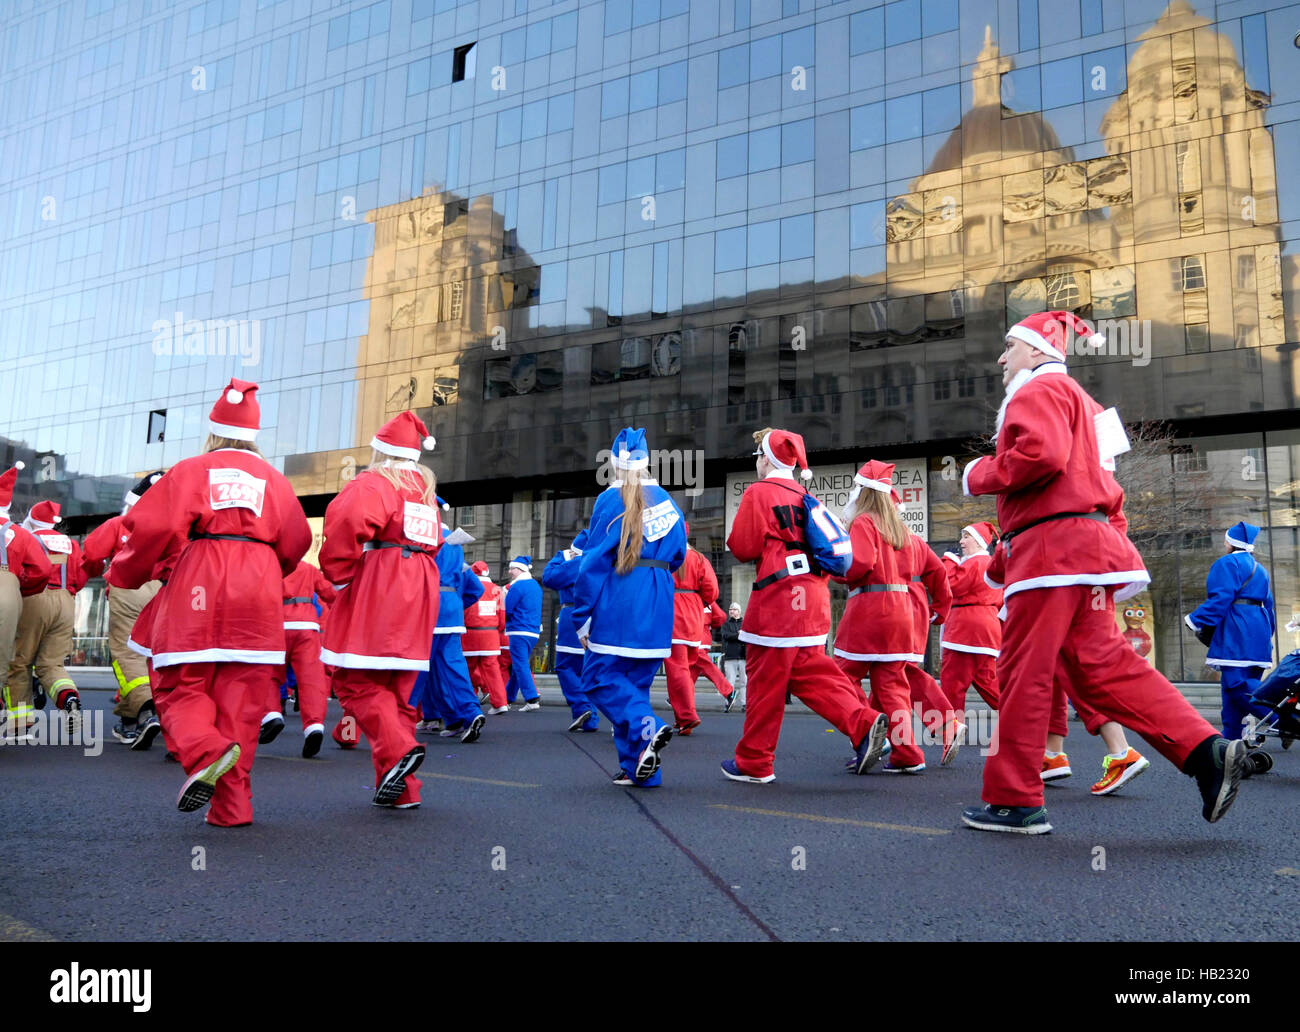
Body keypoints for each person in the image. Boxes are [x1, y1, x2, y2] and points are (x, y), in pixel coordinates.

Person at [960, 310, 1247, 833]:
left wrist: (978, 474)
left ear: (1037, 350)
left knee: (1023, 675)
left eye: (1009, 347)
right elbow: (1102, 489)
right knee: (1108, 666)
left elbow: (1041, 457)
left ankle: (1015, 800)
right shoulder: (1089, 407)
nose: (1001, 359)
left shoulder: (1036, 390)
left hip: (1048, 555)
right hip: (1086, 550)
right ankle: (1205, 750)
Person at [107, 379, 310, 825]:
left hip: (200, 580)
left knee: (180, 683)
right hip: (257, 590)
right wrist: (263, 569)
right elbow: (297, 541)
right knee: (243, 700)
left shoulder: (191, 469)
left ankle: (205, 751)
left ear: (214, 431)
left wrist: (127, 572)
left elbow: (152, 528)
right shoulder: (276, 481)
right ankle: (232, 808)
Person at [723, 428, 888, 784]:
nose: (757, 461)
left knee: (765, 681)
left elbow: (742, 547)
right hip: (813, 597)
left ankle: (755, 762)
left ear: (767, 459)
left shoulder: (759, 492)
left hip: (779, 597)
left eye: (758, 455)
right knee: (810, 673)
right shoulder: (807, 495)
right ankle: (863, 724)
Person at [319, 411, 442, 809]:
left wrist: (341, 579)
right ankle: (403, 790)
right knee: (399, 692)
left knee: (354, 682)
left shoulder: (374, 482)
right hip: (420, 586)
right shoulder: (424, 490)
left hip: (382, 582)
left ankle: (400, 748)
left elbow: (344, 524)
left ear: (381, 451)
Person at [571, 427, 686, 786]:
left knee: (597, 678)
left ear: (614, 463)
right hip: (658, 597)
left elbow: (592, 563)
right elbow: (679, 553)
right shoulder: (667, 499)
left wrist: (581, 616)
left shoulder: (610, 499)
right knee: (634, 688)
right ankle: (640, 769)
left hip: (621, 596)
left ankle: (646, 726)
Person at [830, 460, 916, 772]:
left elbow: (860, 564)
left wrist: (835, 571)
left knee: (839, 676)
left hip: (870, 609)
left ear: (863, 490)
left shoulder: (864, 522)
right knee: (893, 687)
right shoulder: (900, 528)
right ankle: (908, 754)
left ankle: (868, 728)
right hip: (900, 610)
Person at [80, 470, 168, 748]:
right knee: (153, 655)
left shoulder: (120, 523)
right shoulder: (170, 527)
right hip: (162, 590)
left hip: (127, 586)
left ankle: (146, 708)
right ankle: (131, 720)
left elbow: (91, 552)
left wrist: (98, 568)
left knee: (126, 655)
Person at [1185, 521, 1276, 739]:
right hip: (1259, 631)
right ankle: (1231, 739)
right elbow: (1269, 606)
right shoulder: (1260, 569)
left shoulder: (1227, 563)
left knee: (1236, 686)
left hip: (1237, 631)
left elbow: (1221, 598)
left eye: (1226, 540)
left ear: (1231, 542)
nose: (1224, 544)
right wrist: (1267, 635)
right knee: (1233, 689)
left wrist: (1195, 619)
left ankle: (1281, 718)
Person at [7, 500, 89, 735]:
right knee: (52, 663)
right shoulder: (71, 544)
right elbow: (81, 577)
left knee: (19, 661)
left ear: (31, 519)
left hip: (34, 597)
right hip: (65, 602)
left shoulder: (27, 538)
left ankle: (20, 721)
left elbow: (22, 571)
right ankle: (68, 698)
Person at [410, 510, 486, 744]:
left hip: (428, 608)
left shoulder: (424, 539)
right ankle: (468, 713)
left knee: (417, 669)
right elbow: (475, 589)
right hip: (452, 612)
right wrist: (455, 604)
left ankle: (401, 720)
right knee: (453, 667)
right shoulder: (456, 545)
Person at [0, 462, 53, 743]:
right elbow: (42, 570)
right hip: (7, 589)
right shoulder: (21, 535)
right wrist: (20, 587)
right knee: (2, 656)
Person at [267, 558, 337, 757]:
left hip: (275, 624)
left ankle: (272, 714)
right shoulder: (308, 569)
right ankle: (314, 726)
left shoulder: (269, 564)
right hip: (306, 626)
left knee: (269, 674)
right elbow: (330, 594)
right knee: (311, 680)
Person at [663, 524, 720, 734]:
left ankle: (687, 716)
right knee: (684, 669)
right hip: (694, 616)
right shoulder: (699, 558)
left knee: (676, 669)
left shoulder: (666, 554)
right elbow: (712, 590)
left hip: (672, 612)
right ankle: (682, 719)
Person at [541, 537, 600, 732]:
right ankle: (591, 718)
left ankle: (582, 706)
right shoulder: (600, 561)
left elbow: (549, 577)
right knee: (589, 670)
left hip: (573, 613)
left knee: (565, 665)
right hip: (597, 615)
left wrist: (563, 556)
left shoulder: (576, 563)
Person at [463, 560, 509, 714]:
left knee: (468, 671)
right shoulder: (497, 589)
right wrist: (496, 630)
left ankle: (469, 704)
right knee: (493, 671)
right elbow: (502, 617)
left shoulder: (468, 587)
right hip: (491, 635)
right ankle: (500, 703)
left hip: (470, 634)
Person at [503, 556, 542, 711]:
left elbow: (507, 609)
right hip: (533, 632)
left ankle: (532, 698)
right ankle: (507, 698)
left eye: (512, 568)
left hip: (518, 630)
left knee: (520, 665)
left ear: (520, 569)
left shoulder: (517, 586)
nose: (510, 571)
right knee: (518, 665)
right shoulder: (536, 586)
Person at [721, 602, 746, 711]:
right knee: (729, 682)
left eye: (734, 609)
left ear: (739, 611)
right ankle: (728, 703)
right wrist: (738, 634)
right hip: (730, 657)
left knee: (744, 682)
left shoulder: (745, 623)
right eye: (730, 609)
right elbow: (726, 636)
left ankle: (744, 704)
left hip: (743, 657)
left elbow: (747, 637)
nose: (731, 611)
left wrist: (738, 635)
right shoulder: (726, 624)